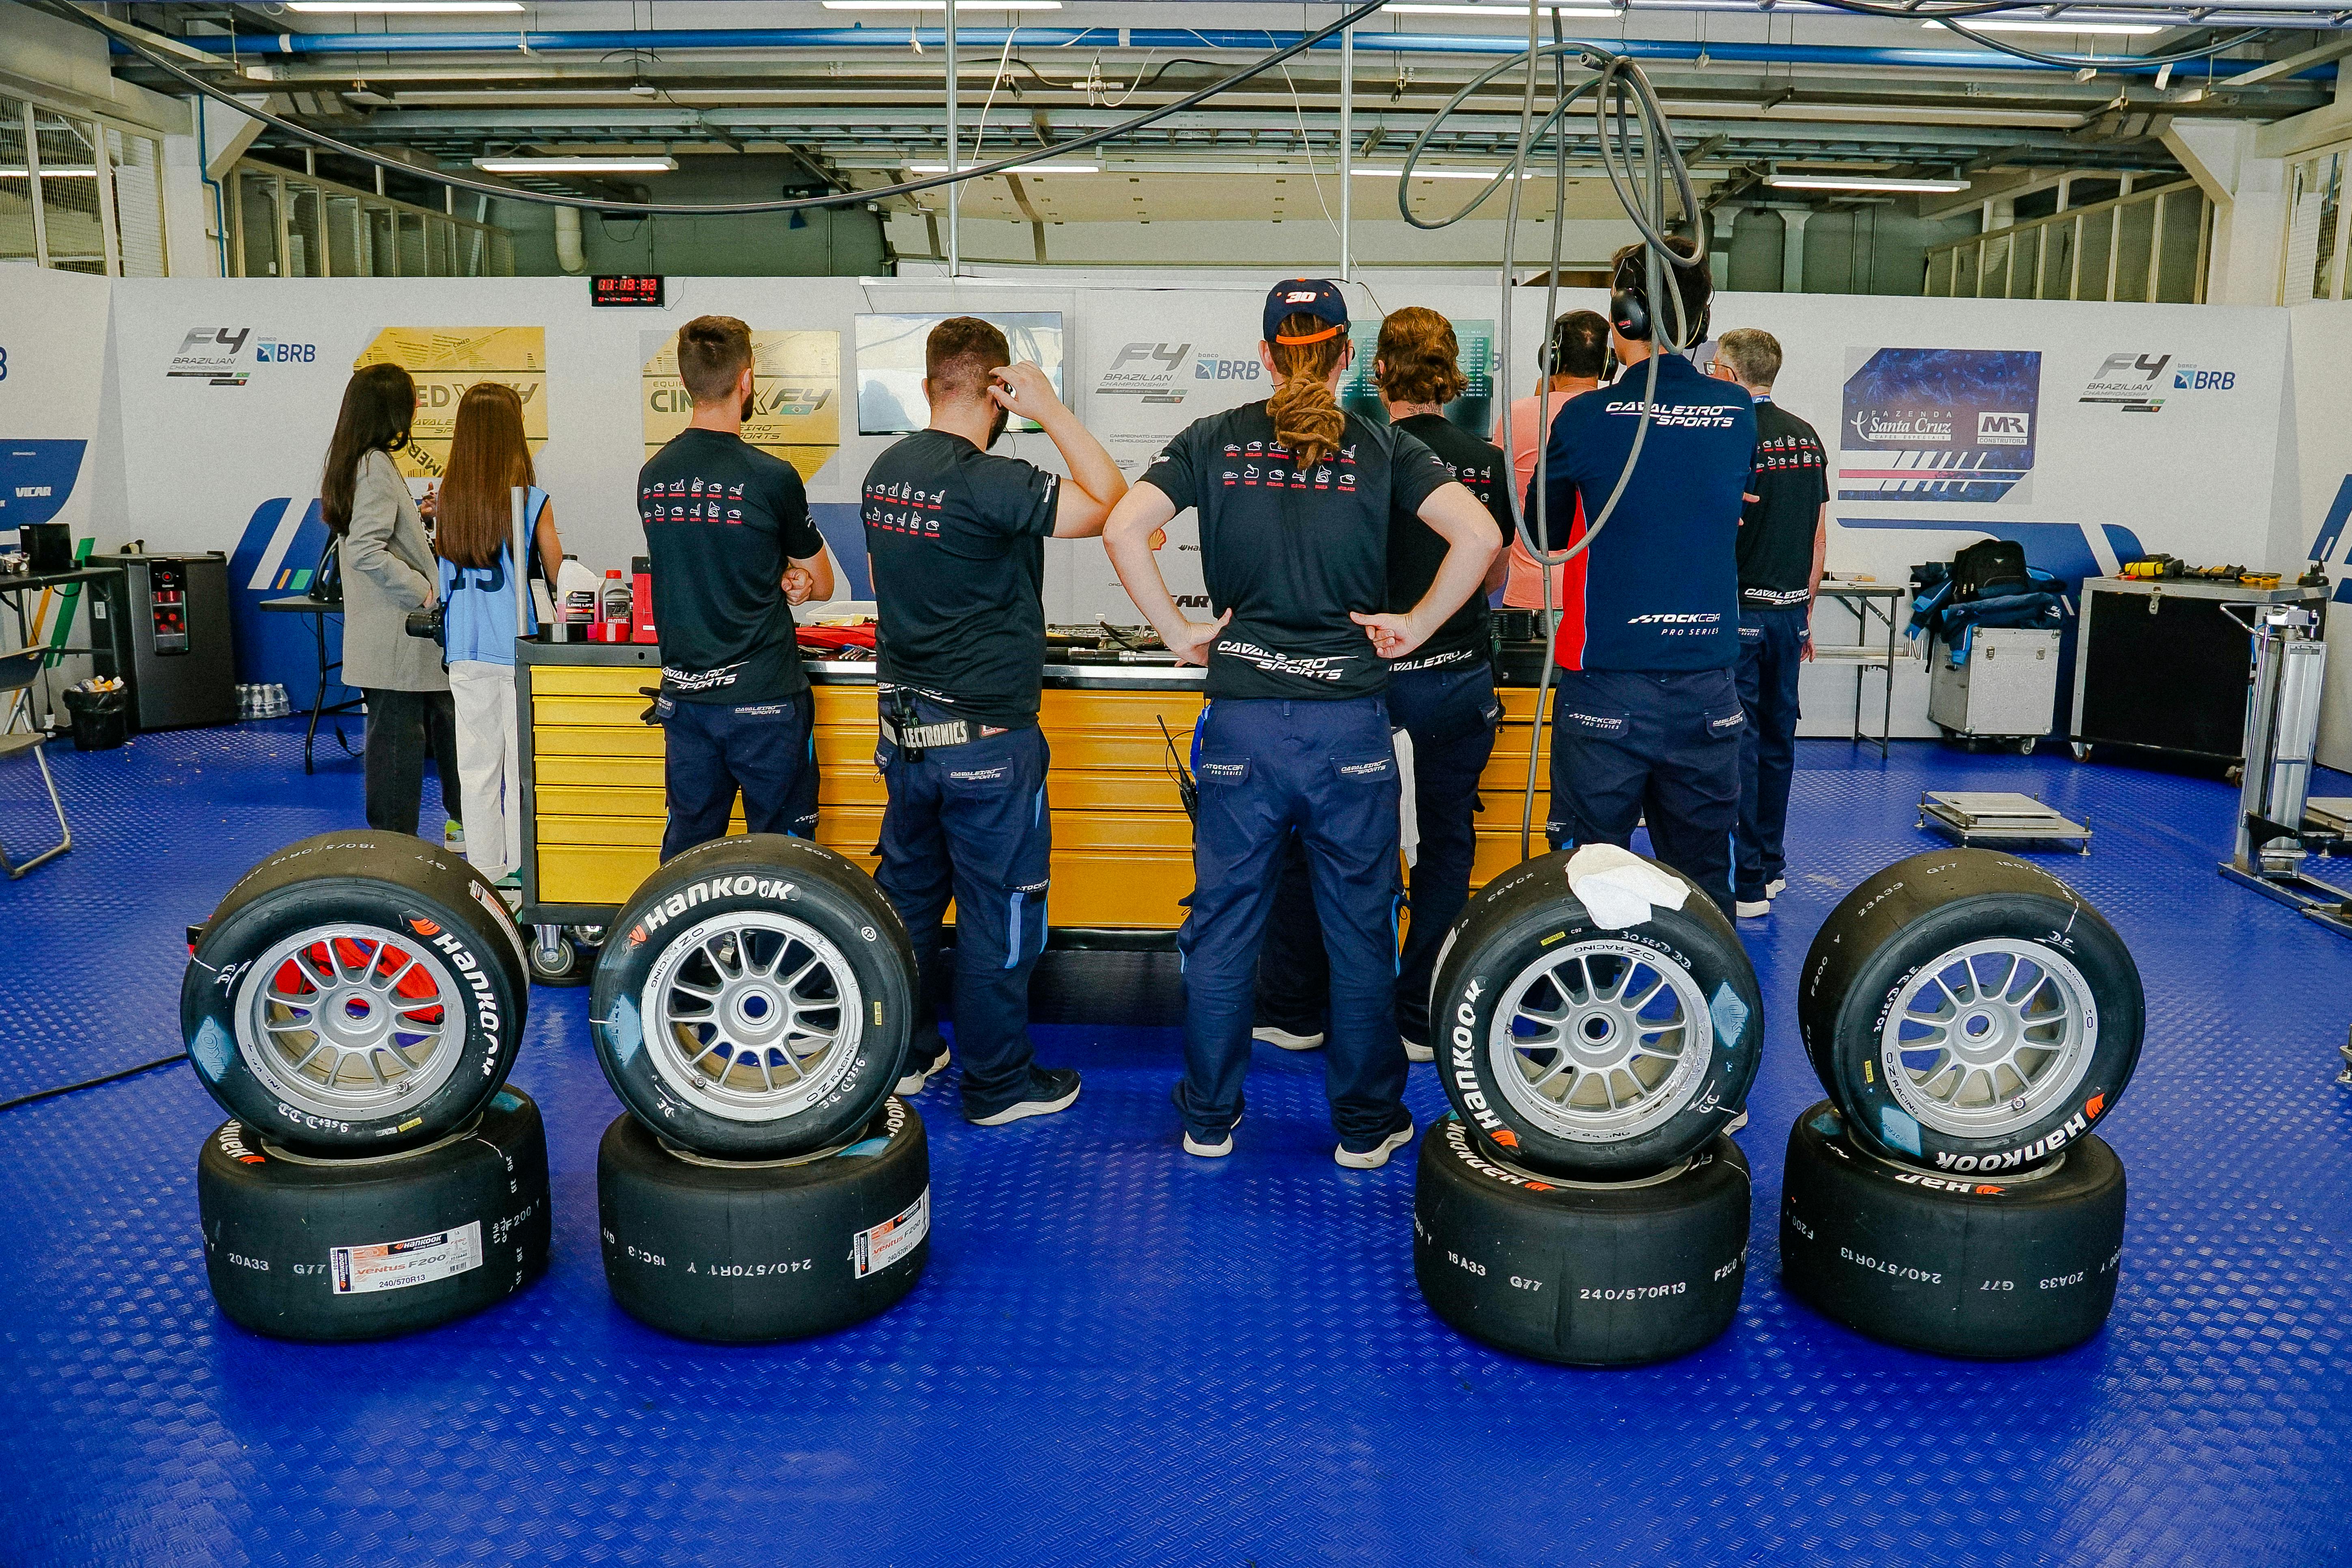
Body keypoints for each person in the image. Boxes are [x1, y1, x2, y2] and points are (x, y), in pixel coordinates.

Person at [1104, 280, 1501, 1169]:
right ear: (1346, 358)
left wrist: (1179, 633)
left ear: (1263, 357)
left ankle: (1208, 1117)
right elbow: (1477, 540)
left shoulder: (1213, 437)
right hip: (1349, 730)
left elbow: (1126, 526)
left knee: (1222, 925)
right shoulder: (1381, 444)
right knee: (1359, 931)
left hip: (1241, 722)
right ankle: (1364, 1126)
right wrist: (1416, 626)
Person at [862, 318, 1129, 1125]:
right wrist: (1053, 411)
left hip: (906, 735)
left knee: (908, 899)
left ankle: (905, 1056)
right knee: (998, 910)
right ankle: (997, 1083)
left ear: (926, 385)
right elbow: (1112, 504)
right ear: (997, 395)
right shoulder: (992, 480)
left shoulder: (886, 470)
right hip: (986, 743)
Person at [1250, 306, 1515, 1064]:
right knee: (1444, 842)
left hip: (1360, 683)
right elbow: (1491, 568)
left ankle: (1298, 1008)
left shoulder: (1360, 450)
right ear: (1453, 375)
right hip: (1453, 678)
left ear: (1375, 373)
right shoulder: (1484, 462)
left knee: (1320, 839)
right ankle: (1419, 1013)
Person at [1528, 239, 1755, 915]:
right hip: (1709, 689)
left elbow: (1541, 536)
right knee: (1704, 889)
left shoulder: (1584, 416)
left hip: (1610, 688)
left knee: (1585, 887)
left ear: (1622, 319)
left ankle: (1581, 1014)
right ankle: (1717, 1019)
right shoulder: (1736, 412)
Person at [637, 315, 836, 863]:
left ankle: (691, 950)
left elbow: (702, 559)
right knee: (782, 853)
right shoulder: (771, 476)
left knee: (688, 851)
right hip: (765, 700)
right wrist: (790, 575)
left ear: (683, 384)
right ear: (747, 381)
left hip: (687, 701)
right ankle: (783, 949)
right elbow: (820, 582)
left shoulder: (654, 474)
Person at [1710, 327, 1827, 919]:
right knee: (1778, 743)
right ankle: (1772, 865)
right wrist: (1804, 615)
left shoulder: (1729, 434)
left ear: (1730, 375)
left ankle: (1747, 883)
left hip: (1737, 617)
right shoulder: (1805, 438)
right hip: (1786, 616)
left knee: (1741, 749)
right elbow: (1816, 534)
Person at [323, 361, 463, 845]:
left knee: (417, 739)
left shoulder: (360, 460)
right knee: (398, 754)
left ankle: (415, 839)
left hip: (392, 640)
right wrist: (422, 589)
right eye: (411, 399)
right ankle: (392, 851)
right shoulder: (374, 467)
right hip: (395, 638)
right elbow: (366, 549)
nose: (418, 407)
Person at [434, 380, 565, 889]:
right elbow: (559, 576)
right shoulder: (532, 502)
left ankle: (484, 874)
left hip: (464, 649)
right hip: (518, 649)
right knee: (523, 769)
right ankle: (523, 874)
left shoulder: (448, 499)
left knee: (478, 768)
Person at [1503, 310, 1610, 610]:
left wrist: (1538, 401)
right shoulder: (1624, 419)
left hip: (1529, 590)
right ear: (1607, 364)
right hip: (1595, 592)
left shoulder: (1516, 415)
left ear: (1549, 359)